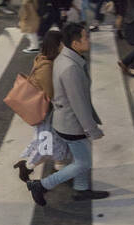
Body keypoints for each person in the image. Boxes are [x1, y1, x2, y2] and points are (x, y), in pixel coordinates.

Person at [30, 21, 108, 204]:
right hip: (71, 124)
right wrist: (92, 129)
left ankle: (81, 189)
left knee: (81, 156)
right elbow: (78, 103)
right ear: (75, 43)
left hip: (67, 121)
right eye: (85, 37)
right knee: (84, 162)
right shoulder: (71, 68)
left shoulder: (66, 58)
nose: (88, 39)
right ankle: (41, 185)